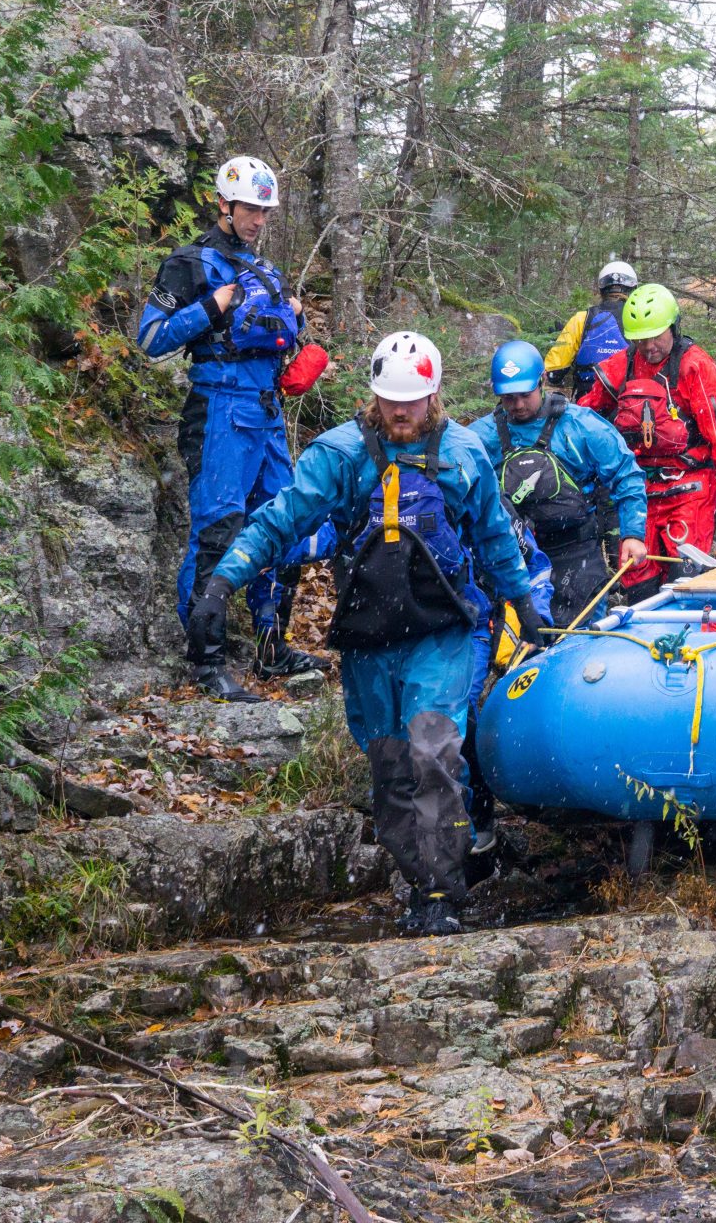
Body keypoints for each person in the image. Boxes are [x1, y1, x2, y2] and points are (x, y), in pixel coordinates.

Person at [185, 332, 542, 938]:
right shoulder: (341, 454)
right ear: (374, 394)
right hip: (369, 636)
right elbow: (279, 520)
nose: (402, 412)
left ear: (434, 396)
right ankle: (416, 884)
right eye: (390, 400)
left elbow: (493, 536)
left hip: (443, 631)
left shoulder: (464, 454)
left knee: (433, 755)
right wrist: (220, 585)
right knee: (391, 768)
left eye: (414, 401)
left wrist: (522, 601)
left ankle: (440, 895)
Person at [136, 155, 325, 700]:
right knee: (218, 531)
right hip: (218, 409)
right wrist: (213, 307)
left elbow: (274, 337)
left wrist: (298, 322)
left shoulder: (265, 269)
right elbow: (150, 340)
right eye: (249, 209)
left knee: (284, 524)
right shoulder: (188, 264)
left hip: (265, 412)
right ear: (224, 204)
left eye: (265, 211)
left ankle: (271, 647)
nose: (258, 220)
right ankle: (205, 661)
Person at [577, 283, 716, 594]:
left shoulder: (694, 366)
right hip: (638, 492)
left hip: (689, 489)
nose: (649, 346)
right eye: (641, 338)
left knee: (684, 579)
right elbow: (585, 415)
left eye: (656, 335)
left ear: (673, 327)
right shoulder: (623, 365)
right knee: (639, 584)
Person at [469, 339, 650, 627]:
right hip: (513, 558)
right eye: (508, 397)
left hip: (578, 555)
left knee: (581, 645)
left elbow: (626, 475)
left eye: (524, 395)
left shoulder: (581, 425)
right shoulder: (480, 438)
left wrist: (633, 533)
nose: (517, 405)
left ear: (542, 381)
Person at [545, 259, 638, 397]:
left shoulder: (581, 319)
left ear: (602, 290)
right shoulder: (639, 318)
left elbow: (554, 373)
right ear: (633, 289)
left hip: (587, 404)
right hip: (629, 402)